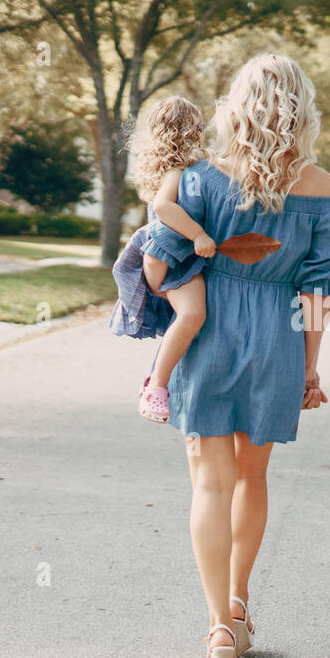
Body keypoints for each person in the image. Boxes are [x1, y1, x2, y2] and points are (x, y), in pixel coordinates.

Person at [148, 55, 330, 658]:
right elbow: (319, 288)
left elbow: (162, 262)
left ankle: (218, 630)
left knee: (209, 484)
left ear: (235, 109)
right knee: (252, 478)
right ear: (303, 113)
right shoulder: (319, 186)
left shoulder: (200, 179)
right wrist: (310, 368)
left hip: (209, 336)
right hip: (279, 340)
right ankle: (237, 602)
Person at [108, 96, 216, 422]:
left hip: (167, 256)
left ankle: (164, 381)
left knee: (187, 320)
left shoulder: (178, 169)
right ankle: (156, 385)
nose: (202, 132)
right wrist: (199, 234)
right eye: (197, 126)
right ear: (185, 131)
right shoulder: (178, 170)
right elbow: (165, 207)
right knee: (193, 315)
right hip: (172, 255)